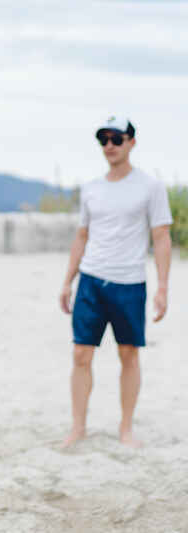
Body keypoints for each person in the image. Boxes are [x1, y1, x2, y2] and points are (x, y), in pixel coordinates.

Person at [59, 116, 172, 448]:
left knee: (129, 354)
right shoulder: (91, 188)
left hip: (130, 283)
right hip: (91, 281)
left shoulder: (150, 187)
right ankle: (78, 428)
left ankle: (126, 429)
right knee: (81, 353)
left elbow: (161, 237)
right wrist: (68, 281)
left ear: (131, 142)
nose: (109, 145)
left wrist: (162, 287)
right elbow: (82, 235)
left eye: (116, 138)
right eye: (103, 139)